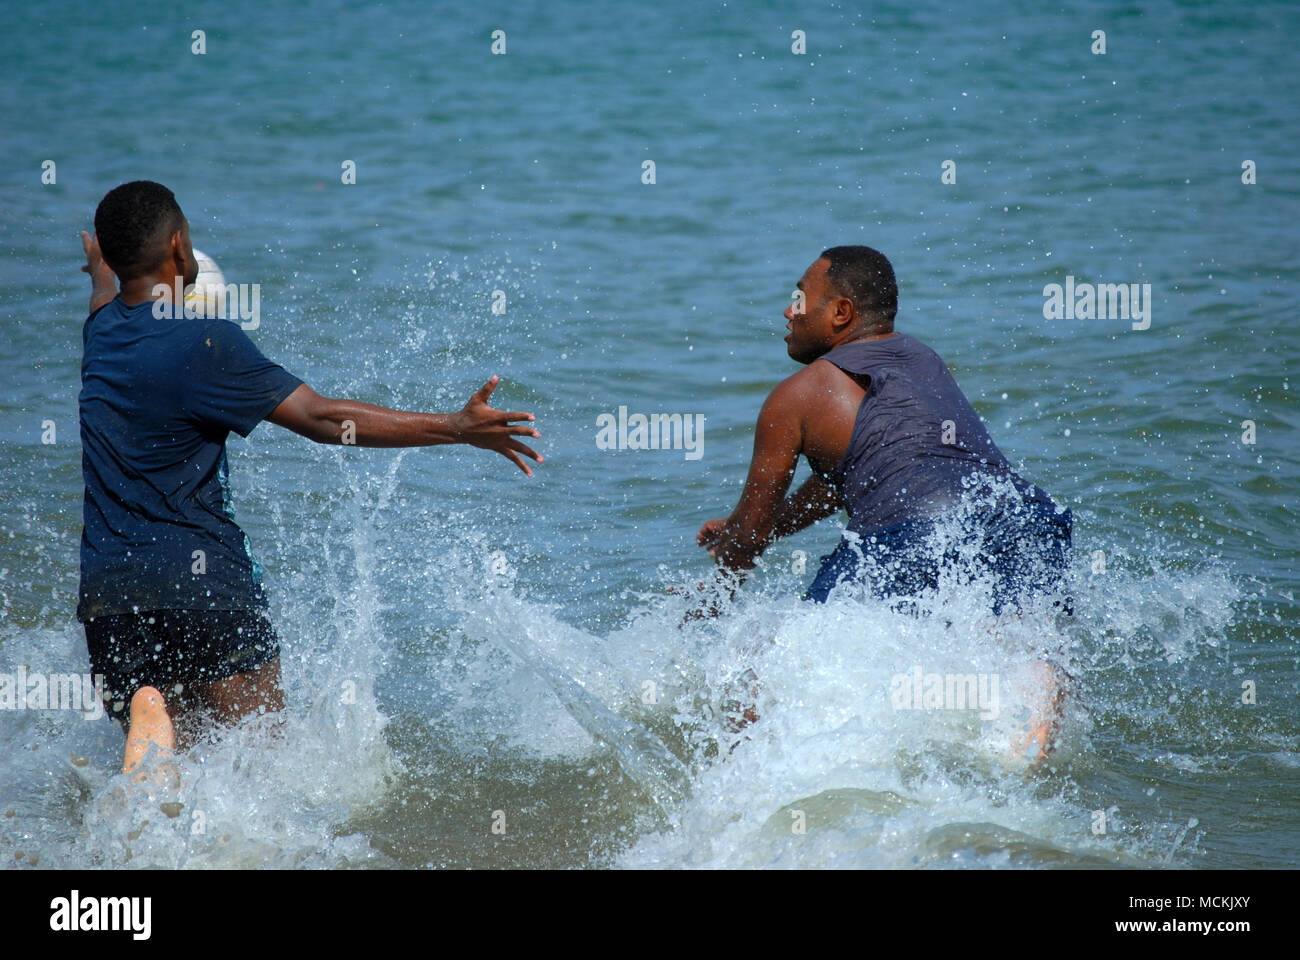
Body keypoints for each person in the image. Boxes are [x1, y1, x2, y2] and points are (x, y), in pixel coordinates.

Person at [78, 180, 543, 774]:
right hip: (204, 588)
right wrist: (453, 426)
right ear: (177, 245)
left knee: (177, 764)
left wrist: (98, 269)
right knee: (262, 773)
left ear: (116, 264)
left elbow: (102, 298)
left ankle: (150, 707)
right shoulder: (205, 340)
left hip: (111, 597)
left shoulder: (100, 336)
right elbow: (322, 418)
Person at [696, 246, 1071, 757]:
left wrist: (713, 598)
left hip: (910, 531)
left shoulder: (796, 396)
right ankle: (1032, 683)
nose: (789, 311)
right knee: (1006, 642)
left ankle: (743, 783)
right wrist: (773, 526)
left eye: (799, 299)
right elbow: (849, 478)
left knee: (766, 669)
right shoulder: (922, 360)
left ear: (841, 313)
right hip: (1020, 516)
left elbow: (747, 543)